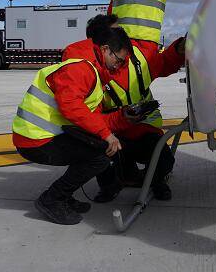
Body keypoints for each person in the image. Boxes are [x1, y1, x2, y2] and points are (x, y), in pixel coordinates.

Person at [11, 26, 133, 225]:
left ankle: (64, 196)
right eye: (118, 60)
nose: (118, 67)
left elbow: (93, 119)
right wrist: (106, 135)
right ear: (105, 50)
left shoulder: (93, 75)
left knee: (96, 149)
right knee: (98, 159)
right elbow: (70, 106)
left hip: (45, 135)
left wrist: (123, 118)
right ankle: (52, 199)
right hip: (35, 140)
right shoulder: (80, 69)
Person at [63, 14, 185, 202]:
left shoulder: (138, 57)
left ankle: (155, 181)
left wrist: (178, 49)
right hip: (114, 130)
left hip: (144, 127)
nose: (122, 34)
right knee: (98, 150)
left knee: (164, 162)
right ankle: (110, 185)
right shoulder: (88, 70)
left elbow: (165, 62)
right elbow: (81, 109)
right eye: (116, 31)